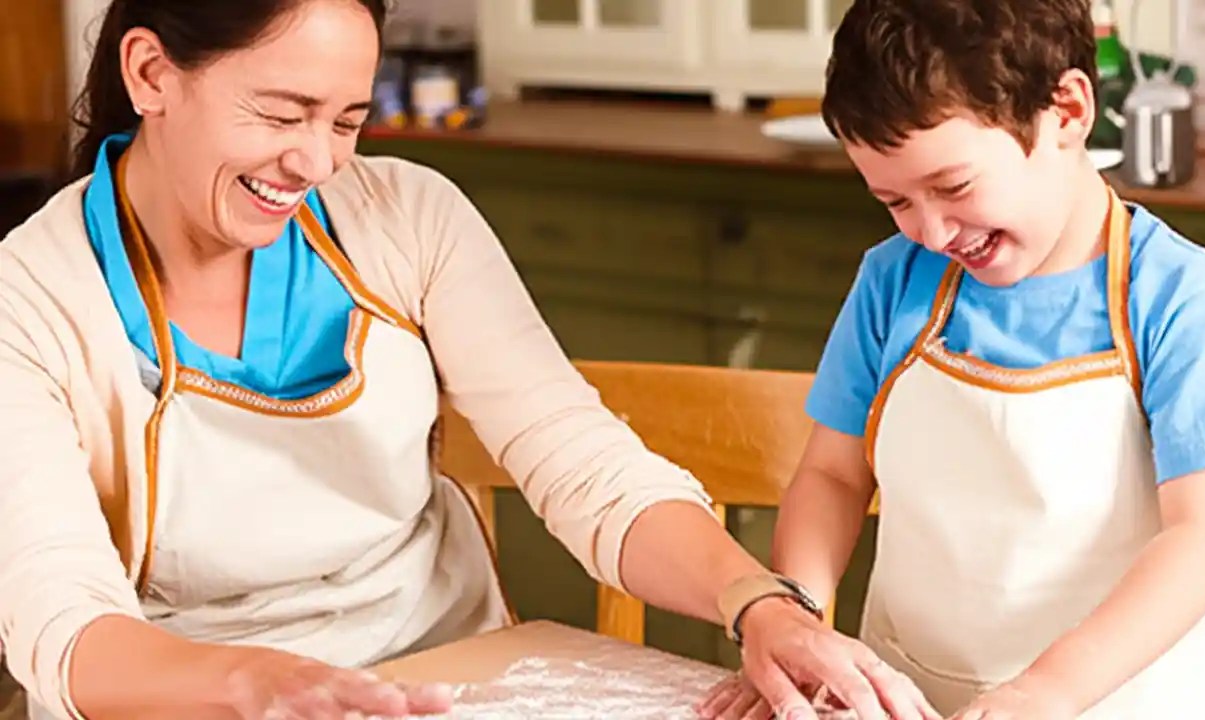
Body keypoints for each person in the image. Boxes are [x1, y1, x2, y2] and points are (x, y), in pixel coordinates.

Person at [0, 1, 940, 719]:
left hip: (460, 683)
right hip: (195, 699)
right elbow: (64, 625)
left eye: (346, 120)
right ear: (151, 72)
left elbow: (583, 464)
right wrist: (260, 688)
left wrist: (758, 606)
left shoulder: (407, 216)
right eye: (283, 113)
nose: (319, 163)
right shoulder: (32, 299)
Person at [698, 0, 1205, 718]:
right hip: (912, 695)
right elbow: (832, 475)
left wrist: (1044, 692)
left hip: (1107, 702)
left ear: (1065, 111)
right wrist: (799, 625)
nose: (932, 232)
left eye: (954, 187)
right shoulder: (894, 282)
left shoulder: (1177, 298)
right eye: (894, 201)